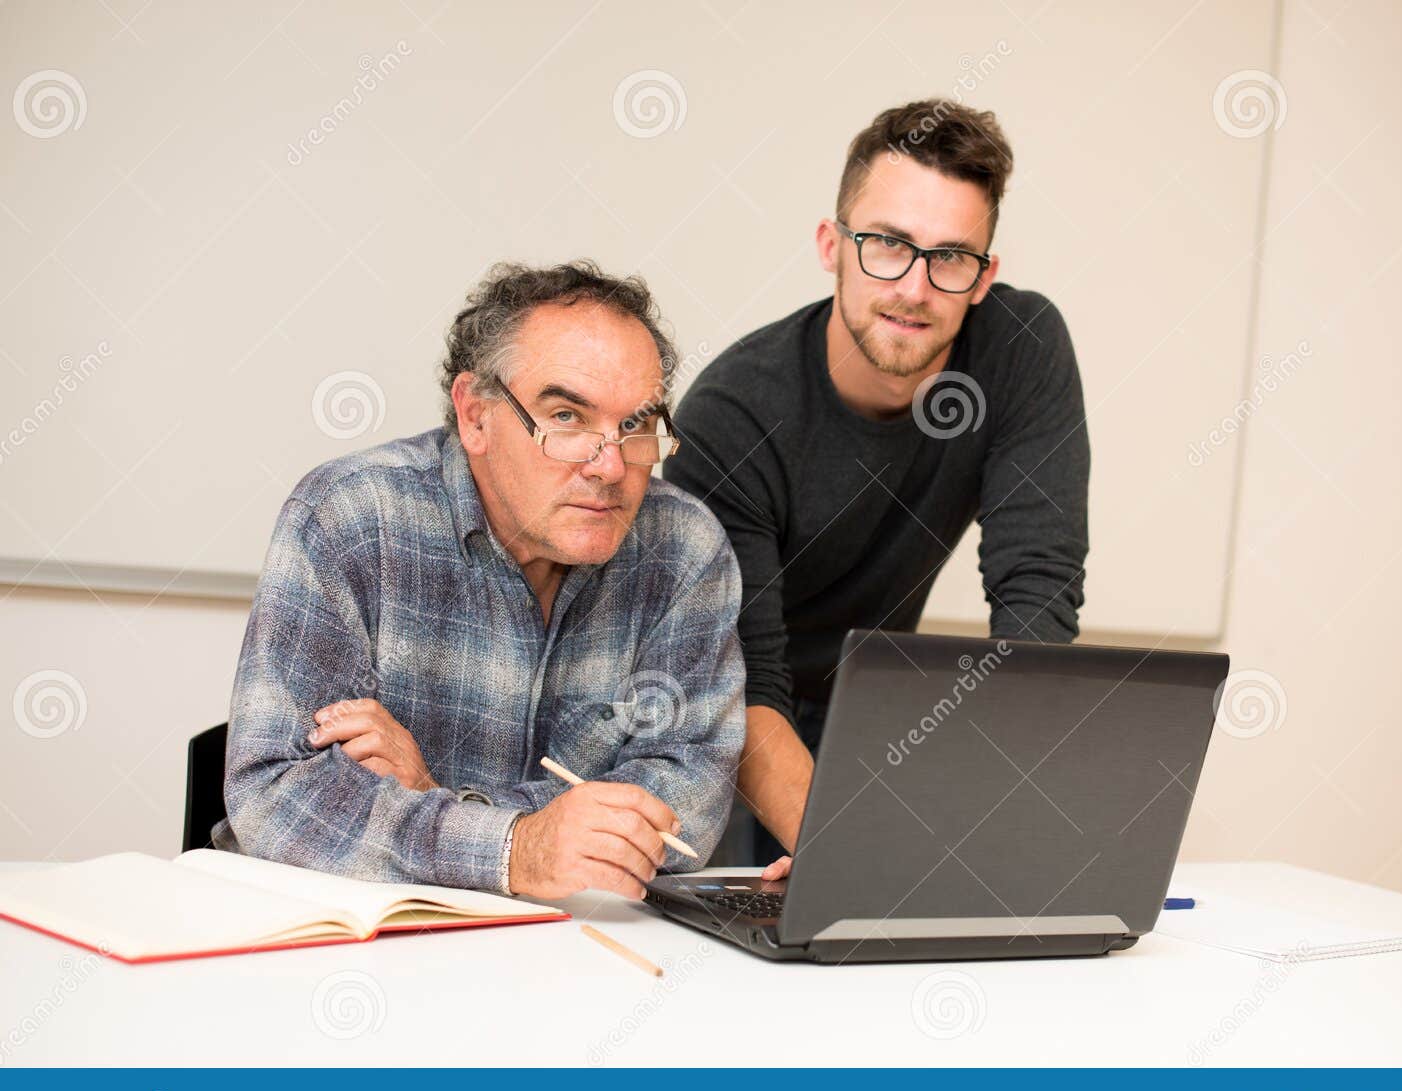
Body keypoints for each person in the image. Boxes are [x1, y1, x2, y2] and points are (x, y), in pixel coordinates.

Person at [216, 261, 744, 900]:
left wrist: (440, 800)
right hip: (342, 935)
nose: (609, 466)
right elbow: (277, 792)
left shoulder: (684, 548)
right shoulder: (350, 516)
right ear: (474, 415)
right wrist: (517, 847)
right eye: (567, 418)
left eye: (635, 425)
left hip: (570, 953)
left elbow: (687, 799)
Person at [664, 100, 1089, 875]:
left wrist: (995, 818)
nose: (916, 288)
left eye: (951, 257)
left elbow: (1037, 594)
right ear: (832, 246)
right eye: (887, 244)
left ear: (984, 277)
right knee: (742, 926)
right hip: (721, 714)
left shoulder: (1020, 350)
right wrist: (854, 862)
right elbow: (743, 686)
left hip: (873, 708)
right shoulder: (735, 415)